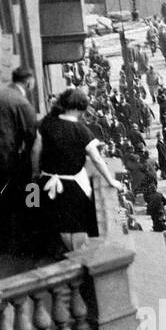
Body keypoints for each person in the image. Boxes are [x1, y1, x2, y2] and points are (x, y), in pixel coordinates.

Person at [36, 88, 118, 254]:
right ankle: (76, 258)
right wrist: (111, 180)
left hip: (46, 183)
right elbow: (96, 160)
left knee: (60, 224)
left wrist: (35, 172)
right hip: (71, 187)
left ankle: (69, 254)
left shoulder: (47, 123)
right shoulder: (81, 130)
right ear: (79, 109)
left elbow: (35, 150)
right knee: (77, 226)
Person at [0, 67, 39, 255]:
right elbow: (32, 136)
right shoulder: (21, 102)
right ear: (29, 82)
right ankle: (13, 246)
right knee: (14, 201)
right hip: (5, 161)